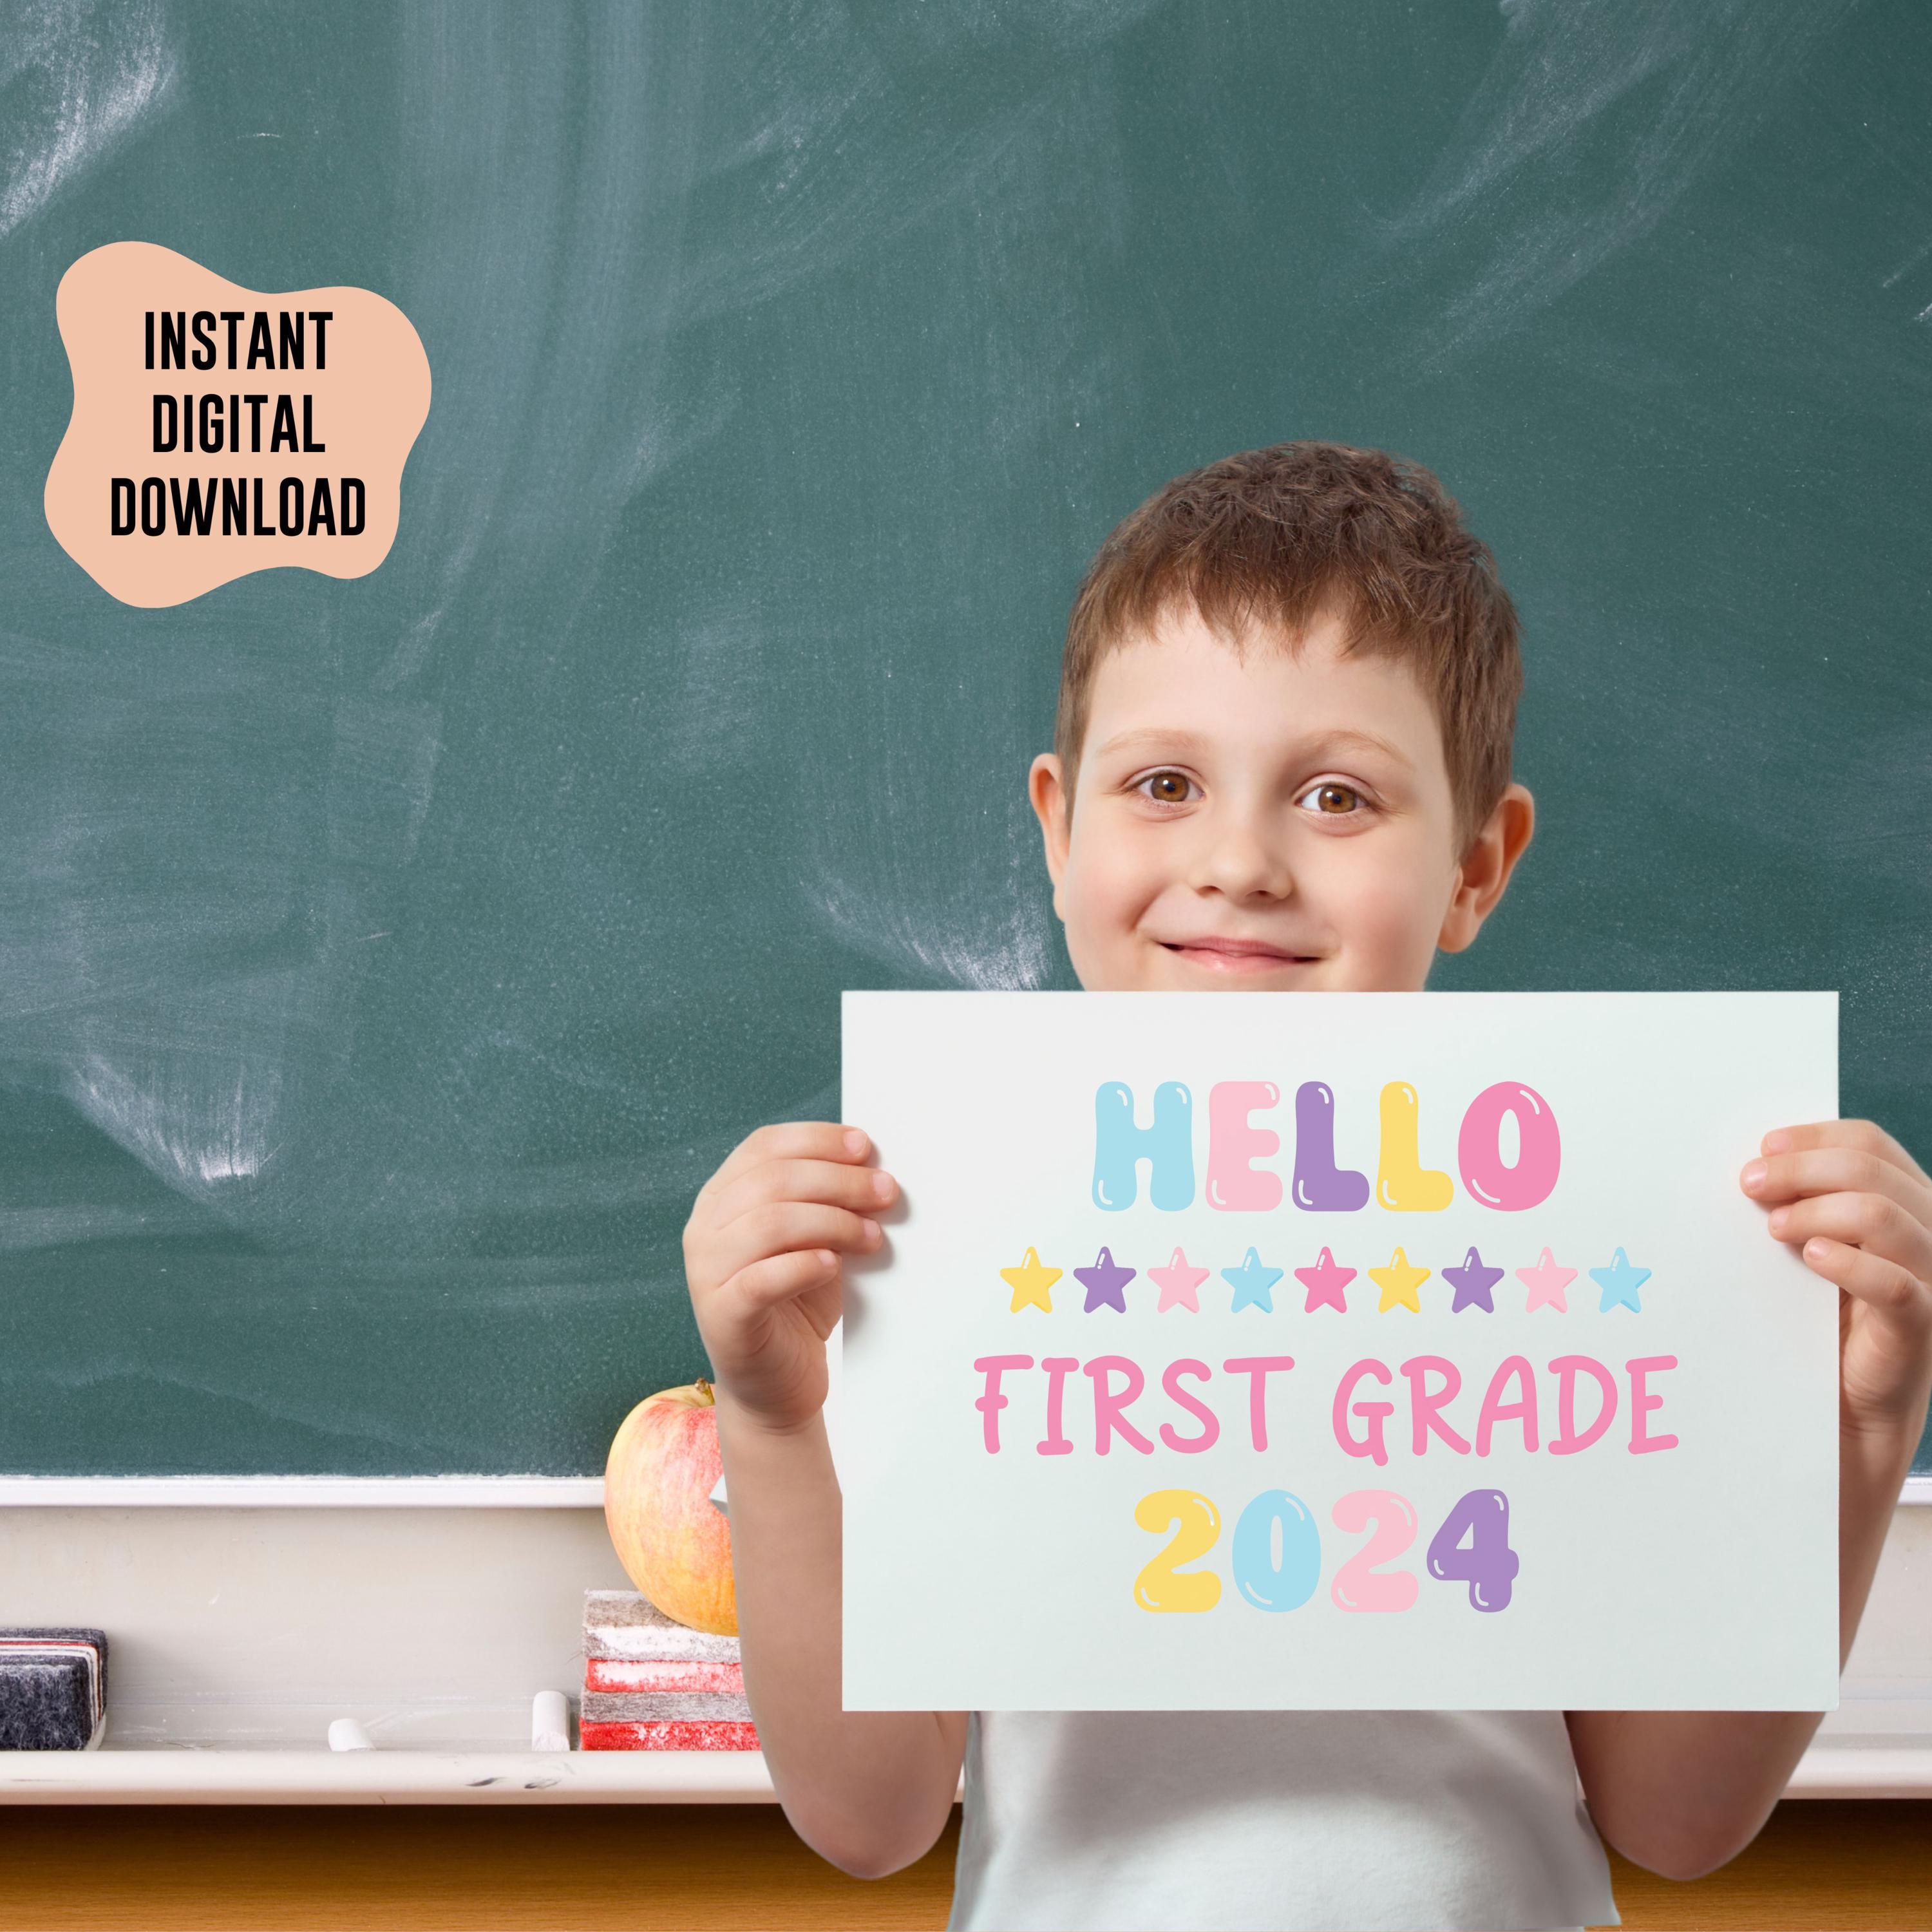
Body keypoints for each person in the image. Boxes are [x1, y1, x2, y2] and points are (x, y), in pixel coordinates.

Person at [680, 442, 1932, 1931]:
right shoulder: (947, 1241)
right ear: (1058, 827)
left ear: (1478, 863)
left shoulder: (1575, 1256)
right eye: (1161, 784)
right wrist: (770, 1414)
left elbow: (1682, 1819)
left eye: (1338, 797)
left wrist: (1857, 1428)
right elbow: (871, 1817)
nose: (1240, 862)